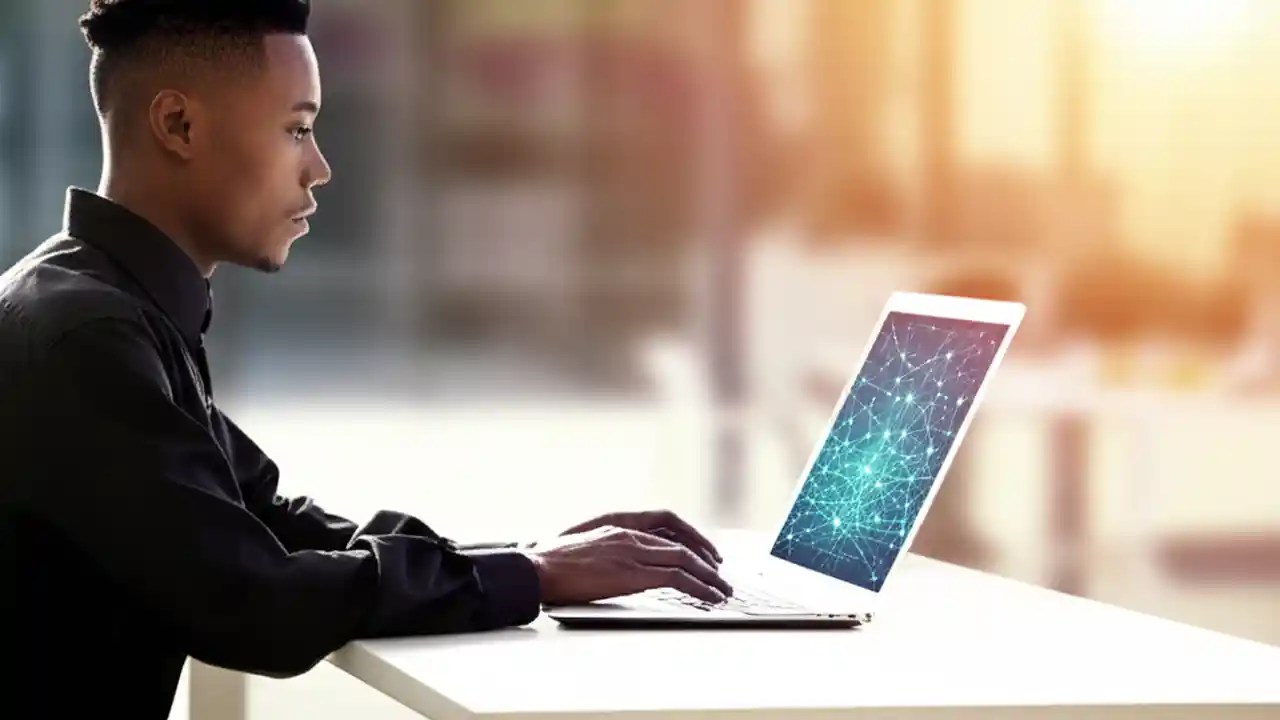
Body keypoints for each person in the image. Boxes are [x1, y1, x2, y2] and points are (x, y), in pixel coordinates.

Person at [0, 1, 731, 715]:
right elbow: (250, 598)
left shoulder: (99, 307)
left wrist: (531, 560)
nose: (319, 168)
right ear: (179, 124)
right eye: (297, 128)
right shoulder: (84, 338)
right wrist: (530, 575)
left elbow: (278, 525)